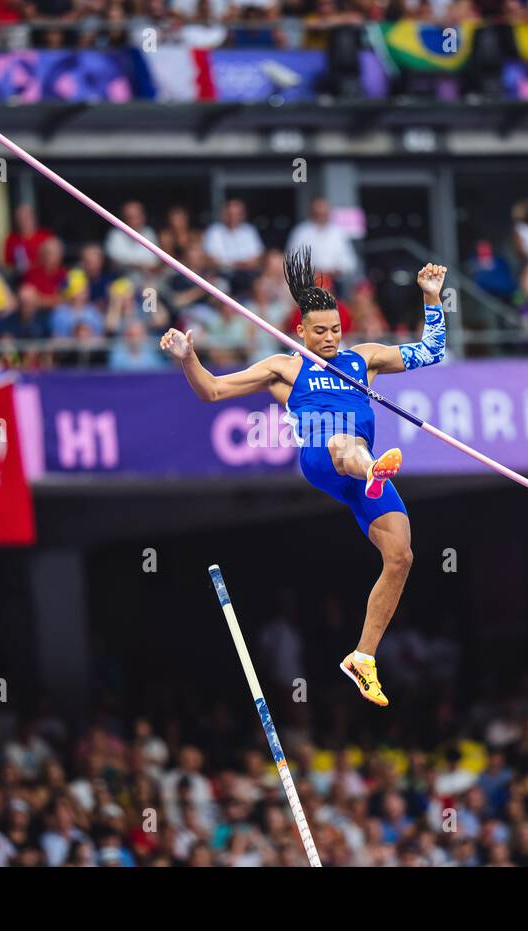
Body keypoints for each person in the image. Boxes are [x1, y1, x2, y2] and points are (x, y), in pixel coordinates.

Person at [160, 250, 449, 708]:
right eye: (320, 331)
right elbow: (212, 391)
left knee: (401, 556)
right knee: (343, 443)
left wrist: (432, 298)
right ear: (300, 331)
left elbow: (433, 351)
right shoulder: (285, 368)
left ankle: (363, 657)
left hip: (365, 474)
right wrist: (187, 357)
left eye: (335, 329)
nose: (331, 338)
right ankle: (371, 470)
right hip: (323, 455)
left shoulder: (364, 358)